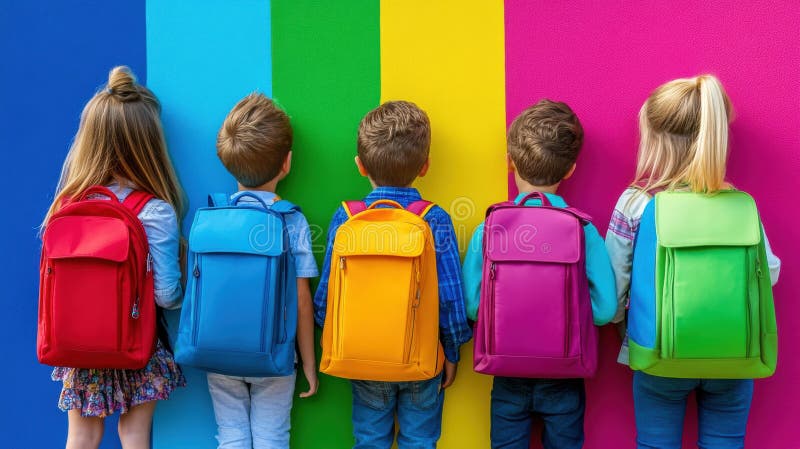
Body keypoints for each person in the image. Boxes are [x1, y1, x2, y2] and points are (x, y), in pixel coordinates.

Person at [605, 74, 781, 449]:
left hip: (659, 353)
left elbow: (612, 286)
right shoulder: (739, 204)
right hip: (734, 356)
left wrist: (625, 322)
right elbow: (772, 272)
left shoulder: (637, 202)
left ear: (653, 139)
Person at [313, 100, 472, 449]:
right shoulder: (434, 218)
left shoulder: (347, 218)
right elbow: (450, 298)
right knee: (419, 441)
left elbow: (327, 296)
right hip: (423, 357)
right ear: (425, 166)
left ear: (360, 166)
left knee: (370, 440)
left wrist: (334, 335)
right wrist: (453, 350)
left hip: (363, 357)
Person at [462, 99, 617, 449]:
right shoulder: (583, 229)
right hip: (564, 372)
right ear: (570, 170)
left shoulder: (489, 228)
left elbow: (472, 307)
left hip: (506, 371)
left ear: (509, 162)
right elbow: (606, 310)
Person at [46, 66, 186, 449]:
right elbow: (166, 296)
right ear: (150, 145)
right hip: (135, 344)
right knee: (134, 433)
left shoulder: (68, 206)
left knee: (83, 434)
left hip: (77, 344)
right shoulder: (155, 211)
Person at [208, 93, 319, 448]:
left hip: (219, 350)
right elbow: (302, 298)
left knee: (231, 437)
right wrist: (309, 363)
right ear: (286, 164)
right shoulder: (291, 219)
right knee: (272, 437)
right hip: (275, 352)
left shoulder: (213, 218)